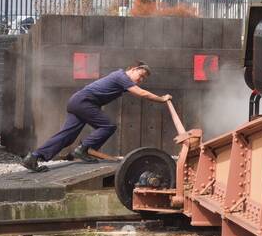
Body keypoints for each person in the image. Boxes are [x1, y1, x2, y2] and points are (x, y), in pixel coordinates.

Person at [21, 63, 172, 171]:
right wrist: (162, 99)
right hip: (83, 102)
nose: (141, 80)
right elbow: (142, 93)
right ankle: (83, 149)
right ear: (133, 69)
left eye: (143, 79)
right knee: (108, 126)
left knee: (67, 136)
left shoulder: (120, 78)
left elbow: (138, 90)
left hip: (77, 101)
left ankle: (33, 157)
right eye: (141, 76)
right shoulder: (121, 76)